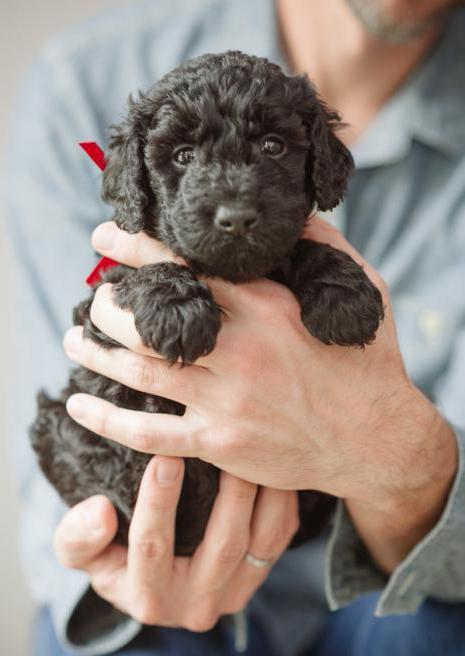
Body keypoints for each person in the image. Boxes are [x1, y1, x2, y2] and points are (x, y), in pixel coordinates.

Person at [5, 0, 465, 654]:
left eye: (272, 148)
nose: (233, 201)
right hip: (150, 552)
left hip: (367, 580)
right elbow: (74, 399)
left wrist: (391, 447)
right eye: (186, 155)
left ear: (317, 166)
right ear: (141, 179)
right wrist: (116, 562)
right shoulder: (80, 78)